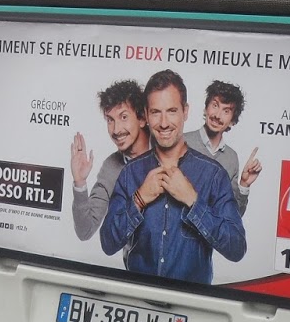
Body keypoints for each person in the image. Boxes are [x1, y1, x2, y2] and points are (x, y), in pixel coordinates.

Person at [100, 69, 247, 284]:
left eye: (171, 111)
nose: (164, 123)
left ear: (185, 112)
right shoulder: (130, 174)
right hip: (139, 298)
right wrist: (139, 199)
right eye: (156, 112)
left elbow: (236, 248)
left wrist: (193, 201)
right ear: (147, 116)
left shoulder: (213, 175)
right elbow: (107, 243)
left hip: (191, 304)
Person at [69, 80, 149, 242]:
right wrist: (80, 182)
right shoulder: (111, 167)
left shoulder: (166, 149)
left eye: (124, 117)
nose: (116, 129)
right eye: (110, 120)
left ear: (141, 118)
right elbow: (85, 230)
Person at [187, 80, 261, 215]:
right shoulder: (183, 143)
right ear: (206, 108)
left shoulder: (231, 158)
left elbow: (232, 216)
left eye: (226, 111)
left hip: (209, 235)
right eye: (215, 105)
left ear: (232, 121)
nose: (217, 115)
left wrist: (244, 184)